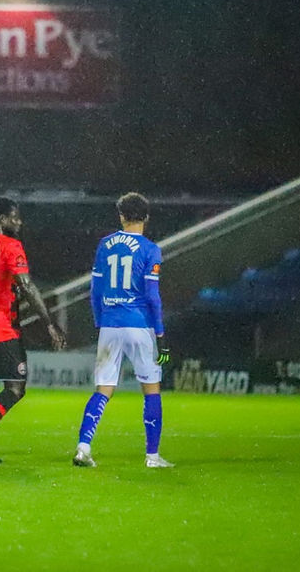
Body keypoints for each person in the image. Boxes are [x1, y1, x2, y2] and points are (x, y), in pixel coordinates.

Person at [0, 197, 67, 465]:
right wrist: (49, 323)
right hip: (1, 327)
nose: (19, 222)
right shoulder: (10, 246)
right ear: (1, 219)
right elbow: (27, 286)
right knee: (16, 388)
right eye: (14, 217)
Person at [72, 192, 173, 469]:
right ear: (146, 218)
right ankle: (152, 456)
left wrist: (99, 321)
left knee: (103, 388)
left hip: (109, 323)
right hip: (139, 325)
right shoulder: (151, 249)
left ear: (121, 216)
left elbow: (95, 290)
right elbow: (153, 296)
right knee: (151, 389)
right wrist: (161, 335)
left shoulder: (105, 245)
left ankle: (83, 446)